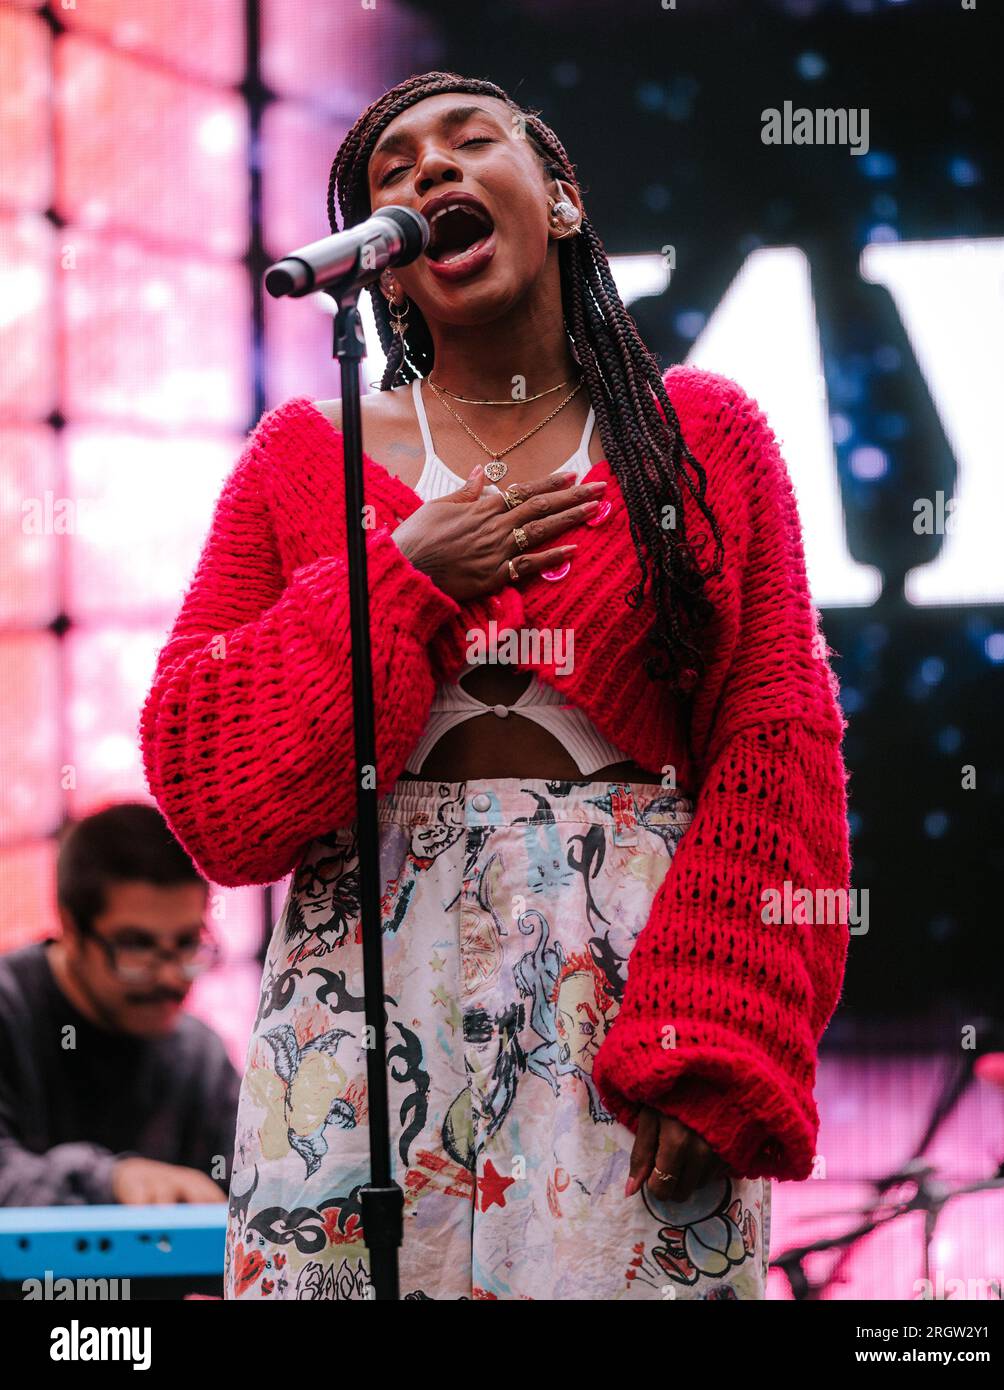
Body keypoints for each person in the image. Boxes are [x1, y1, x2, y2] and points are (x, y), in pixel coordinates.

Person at [140, 71, 852, 1301]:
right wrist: (396, 576)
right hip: (357, 996)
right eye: (390, 172)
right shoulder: (302, 458)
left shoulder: (697, 436)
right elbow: (212, 787)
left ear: (560, 199)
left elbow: (773, 745)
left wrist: (715, 1028)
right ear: (381, 264)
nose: (427, 172)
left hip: (626, 990)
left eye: (470, 143)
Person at [0, 803, 240, 1207]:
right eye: (136, 945)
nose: (168, 977)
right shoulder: (9, 1010)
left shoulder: (201, 1060)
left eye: (185, 943)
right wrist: (110, 1182)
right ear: (70, 928)